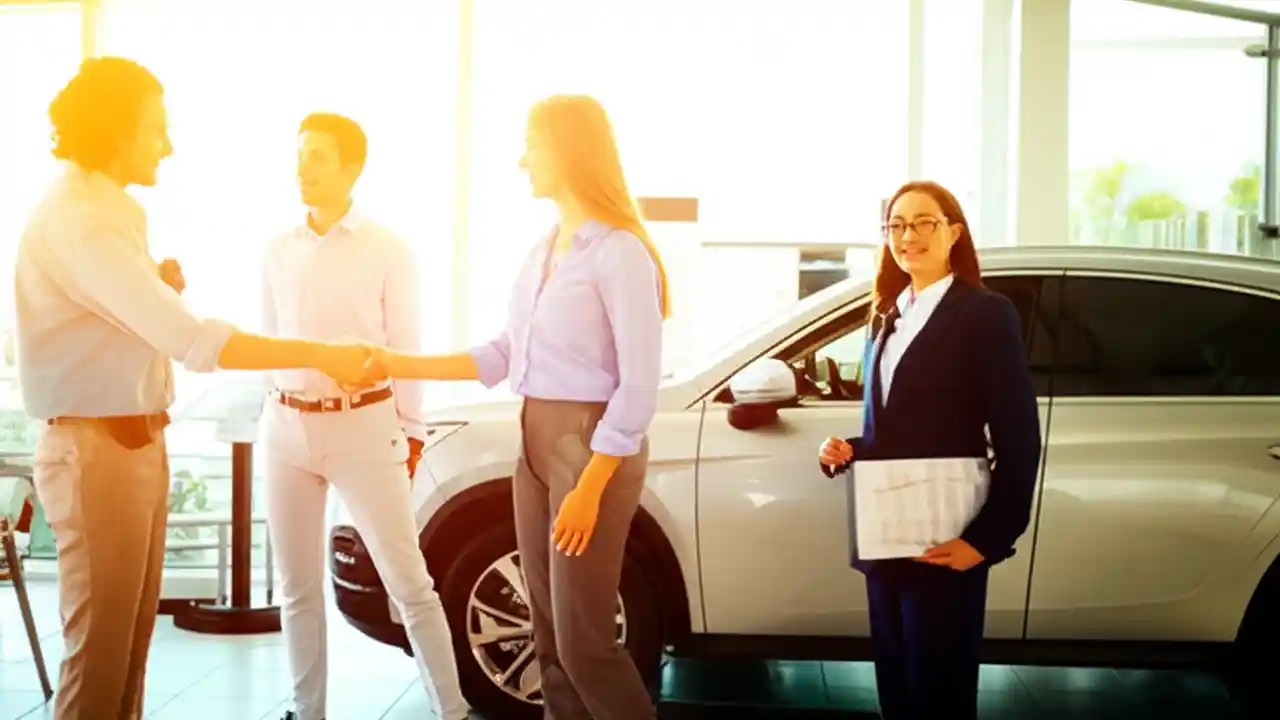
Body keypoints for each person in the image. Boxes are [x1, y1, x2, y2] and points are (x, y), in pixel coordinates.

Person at [14, 57, 372, 720]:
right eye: (156, 129)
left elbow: (122, 325)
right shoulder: (82, 220)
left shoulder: (105, 212)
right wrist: (322, 354)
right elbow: (196, 340)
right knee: (99, 662)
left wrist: (153, 290)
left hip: (128, 446)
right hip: (97, 454)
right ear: (115, 129)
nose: (168, 146)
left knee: (125, 657)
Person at [358, 94, 670, 720]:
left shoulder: (620, 253)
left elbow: (639, 386)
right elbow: (504, 354)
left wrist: (589, 487)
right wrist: (396, 363)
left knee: (585, 646)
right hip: (534, 441)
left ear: (567, 148)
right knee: (548, 640)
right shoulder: (544, 250)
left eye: (532, 145)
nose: (522, 161)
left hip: (589, 447)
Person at [260, 112, 469, 720]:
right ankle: (308, 711)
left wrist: (412, 431)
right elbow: (268, 344)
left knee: (409, 584)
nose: (303, 168)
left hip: (363, 426)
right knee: (296, 587)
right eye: (300, 155)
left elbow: (406, 346)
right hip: (286, 428)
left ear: (352, 167)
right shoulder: (276, 249)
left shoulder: (387, 249)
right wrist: (272, 409)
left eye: (318, 156)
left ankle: (452, 711)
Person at [817, 180, 1041, 720]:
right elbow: (898, 430)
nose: (907, 235)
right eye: (896, 225)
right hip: (887, 535)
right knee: (896, 691)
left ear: (953, 232)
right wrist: (847, 450)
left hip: (946, 536)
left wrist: (985, 541)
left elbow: (1019, 437)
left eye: (923, 222)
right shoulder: (886, 316)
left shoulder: (985, 314)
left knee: (939, 694)